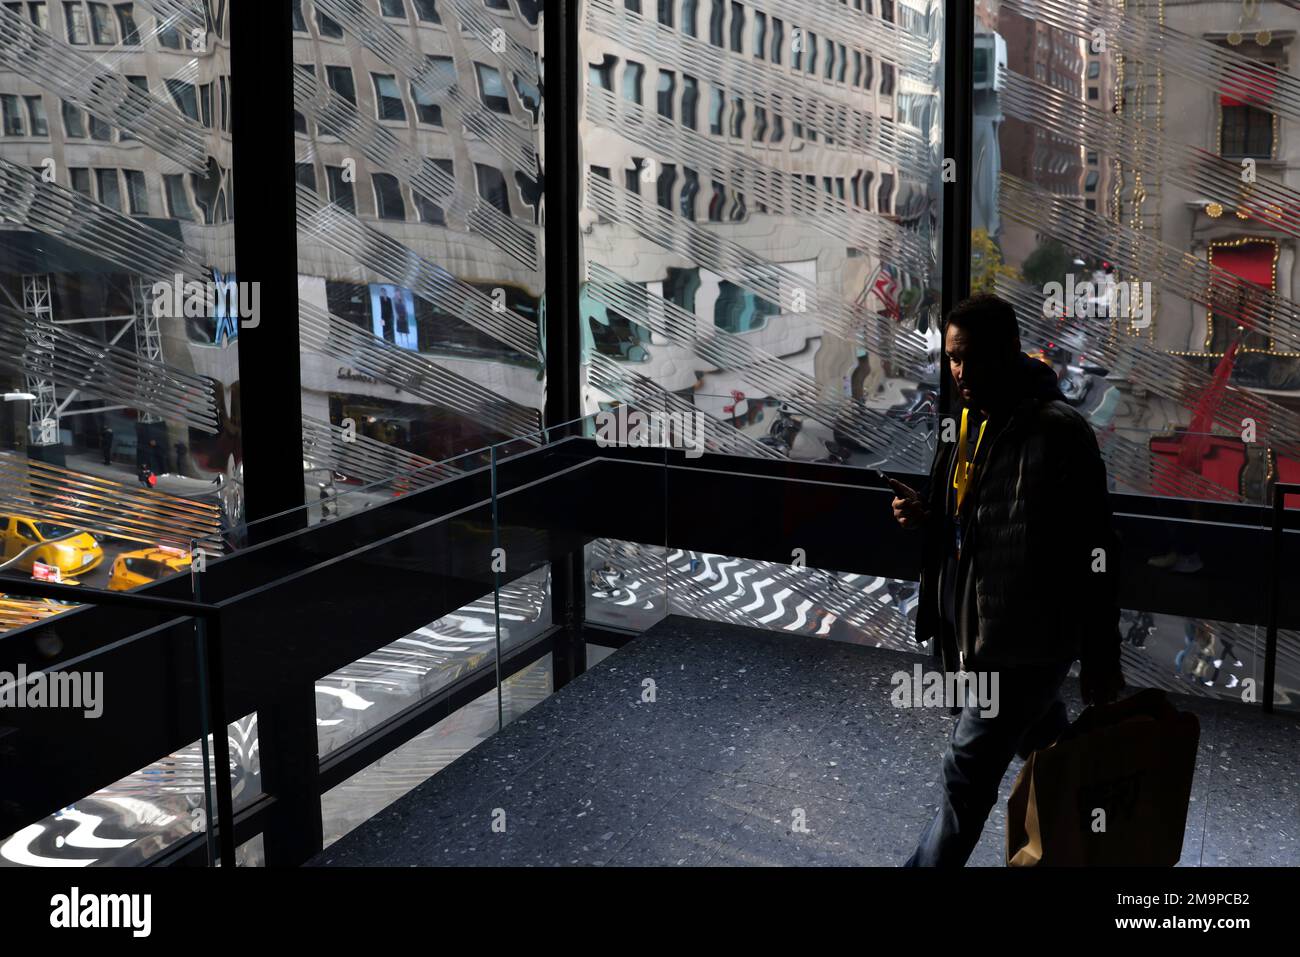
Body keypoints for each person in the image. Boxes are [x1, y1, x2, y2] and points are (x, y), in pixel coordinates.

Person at [889, 294, 1125, 867]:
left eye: (969, 358)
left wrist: (1100, 655)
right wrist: (927, 514)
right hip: (981, 631)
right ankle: (1105, 826)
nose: (959, 372)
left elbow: (1096, 549)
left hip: (1024, 643)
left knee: (964, 777)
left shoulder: (1059, 433)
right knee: (1047, 748)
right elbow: (969, 517)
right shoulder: (962, 422)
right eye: (951, 359)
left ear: (1007, 352)